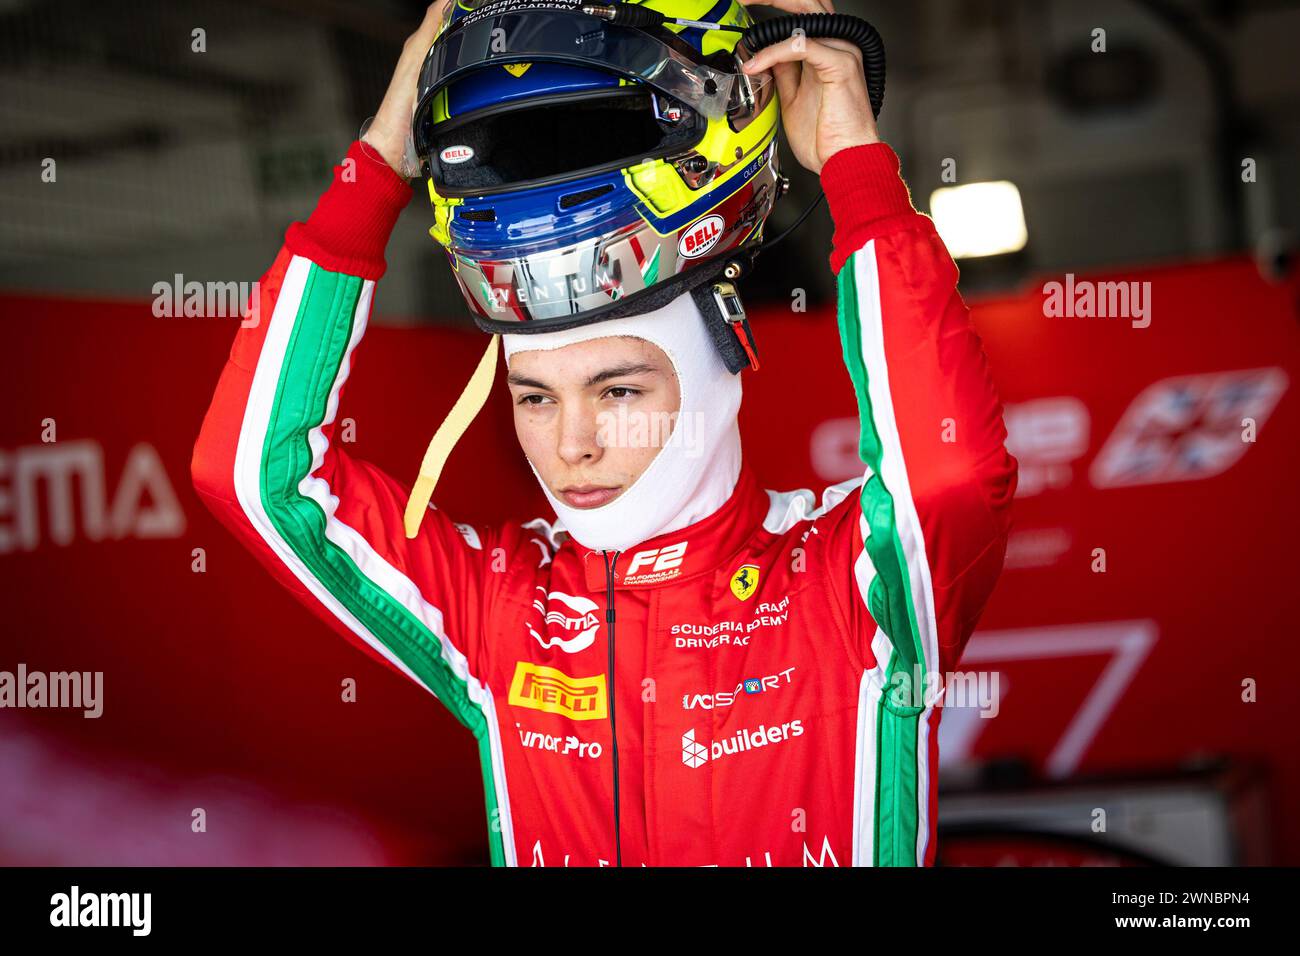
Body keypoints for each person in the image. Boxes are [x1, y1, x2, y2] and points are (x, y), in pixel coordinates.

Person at [191, 0, 1017, 867]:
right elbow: (254, 474)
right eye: (535, 397)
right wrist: (378, 164)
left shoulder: (847, 585)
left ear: (717, 370)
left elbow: (948, 473)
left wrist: (856, 171)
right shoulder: (500, 611)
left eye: (618, 388)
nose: (571, 445)